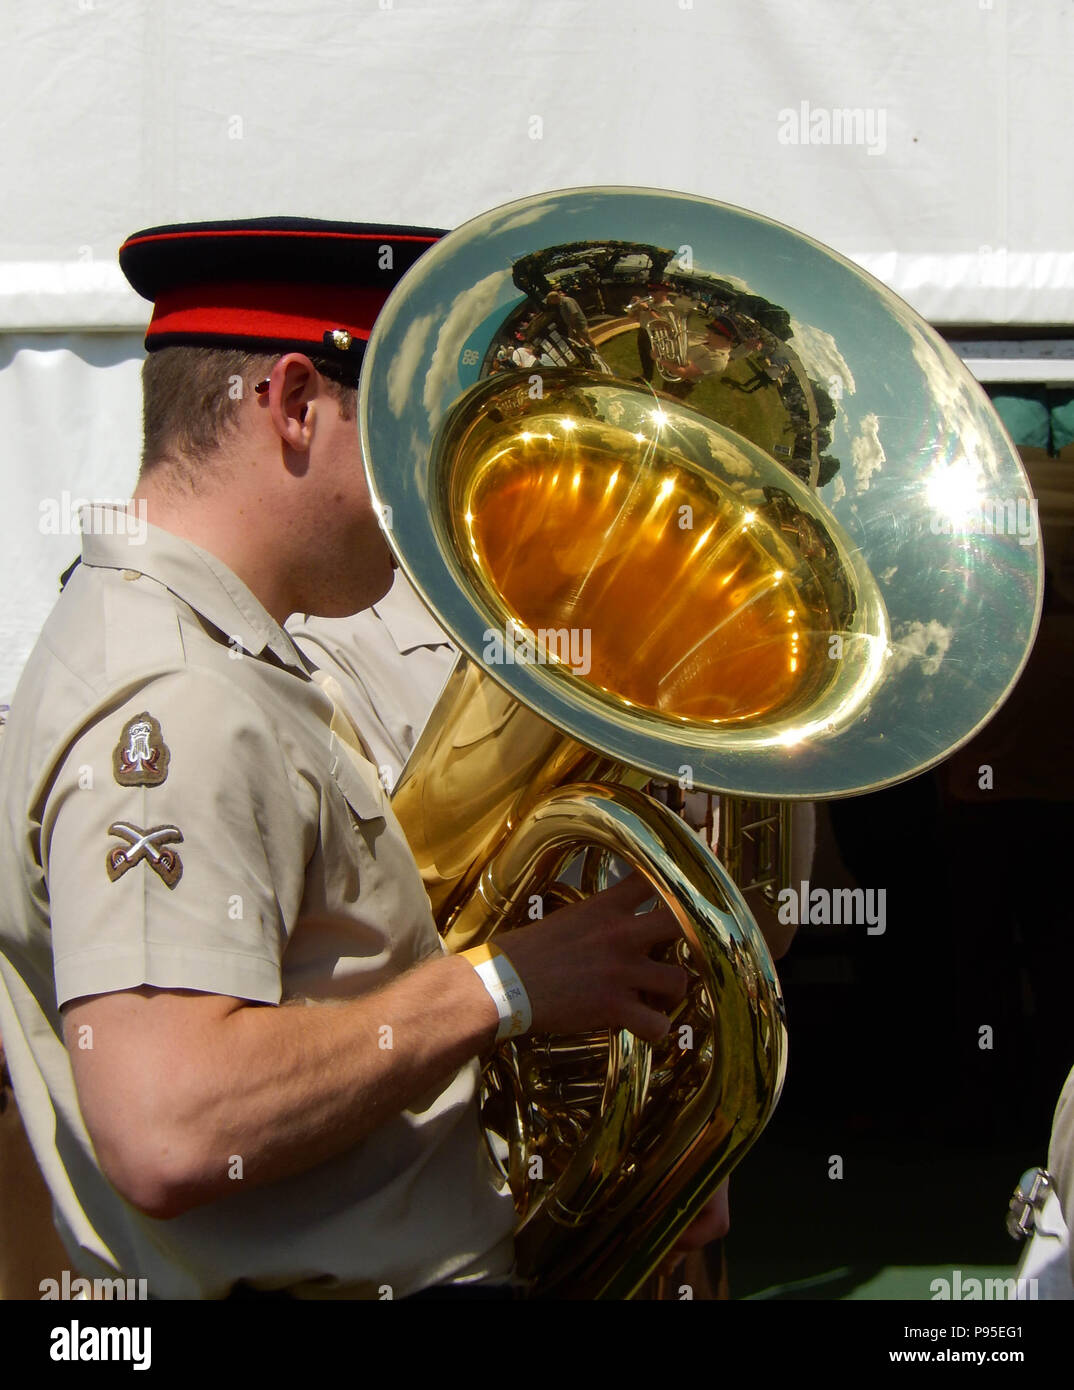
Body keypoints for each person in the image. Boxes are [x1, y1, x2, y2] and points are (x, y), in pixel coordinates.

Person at [0, 216, 714, 1301]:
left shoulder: (186, 648)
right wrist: (505, 985)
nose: (428, 485)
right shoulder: (180, 695)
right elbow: (169, 1123)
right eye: (403, 428)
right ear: (294, 405)